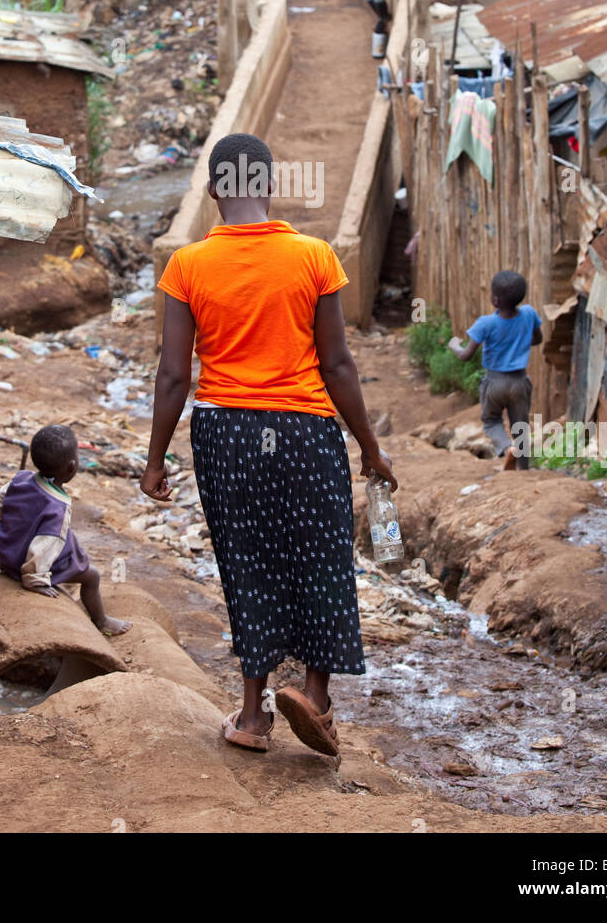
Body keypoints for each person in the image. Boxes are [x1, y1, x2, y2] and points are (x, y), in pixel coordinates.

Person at [140, 132, 396, 758]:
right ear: (270, 185)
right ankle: (314, 695)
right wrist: (370, 447)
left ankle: (253, 717)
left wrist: (154, 459)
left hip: (226, 433)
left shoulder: (187, 265)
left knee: (248, 564)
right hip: (306, 430)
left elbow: (174, 374)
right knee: (322, 559)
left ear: (214, 189)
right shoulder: (314, 257)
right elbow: (338, 365)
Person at [0, 424, 129, 635]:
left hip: (8, 551)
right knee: (92, 576)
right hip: (24, 564)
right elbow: (45, 543)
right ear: (71, 467)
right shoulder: (58, 507)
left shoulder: (21, 479)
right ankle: (101, 620)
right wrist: (35, 579)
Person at [448, 270, 543, 471]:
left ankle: (507, 447)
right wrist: (520, 341)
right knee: (521, 426)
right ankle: (523, 469)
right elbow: (537, 339)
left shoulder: (486, 323)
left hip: (495, 382)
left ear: (495, 299)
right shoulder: (529, 314)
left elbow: (466, 355)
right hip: (519, 381)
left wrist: (455, 344)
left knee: (491, 421)